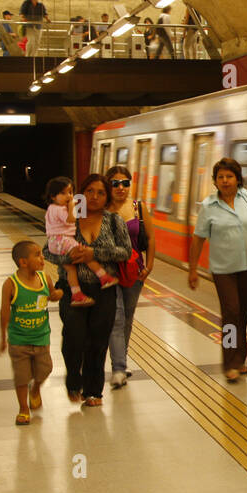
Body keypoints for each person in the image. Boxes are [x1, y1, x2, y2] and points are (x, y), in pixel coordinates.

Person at [43, 174, 130, 407]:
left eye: (101, 192)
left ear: (107, 196)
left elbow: (126, 252)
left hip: (105, 290)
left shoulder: (114, 221)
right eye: (90, 191)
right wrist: (67, 255)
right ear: (80, 193)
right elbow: (47, 251)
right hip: (73, 290)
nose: (94, 197)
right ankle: (74, 380)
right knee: (74, 338)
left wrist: (95, 254)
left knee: (98, 341)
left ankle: (93, 391)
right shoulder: (68, 217)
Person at [188, 157, 247, 382]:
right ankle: (230, 362)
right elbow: (198, 239)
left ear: (238, 179)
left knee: (242, 314)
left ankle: (240, 358)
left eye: (229, 176)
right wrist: (192, 270)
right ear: (215, 181)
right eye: (221, 177)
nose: (225, 181)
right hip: (222, 268)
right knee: (231, 312)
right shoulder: (209, 206)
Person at [0, 241, 64, 425]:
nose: (42, 258)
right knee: (21, 376)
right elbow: (4, 312)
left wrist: (57, 294)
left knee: (46, 369)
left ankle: (36, 389)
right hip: (18, 339)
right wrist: (3, 337)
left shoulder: (45, 279)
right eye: (37, 255)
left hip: (41, 336)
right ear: (23, 262)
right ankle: (23, 408)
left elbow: (51, 295)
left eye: (41, 254)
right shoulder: (11, 284)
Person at [105, 165, 156, 388]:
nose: (121, 188)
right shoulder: (101, 208)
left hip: (134, 272)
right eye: (115, 183)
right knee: (116, 319)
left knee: (127, 318)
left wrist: (150, 266)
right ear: (108, 185)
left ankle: (121, 362)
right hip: (108, 273)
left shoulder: (138, 208)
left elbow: (151, 238)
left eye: (125, 183)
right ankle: (118, 368)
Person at [44, 175, 116, 305]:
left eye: (70, 192)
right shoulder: (59, 209)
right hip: (63, 240)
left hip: (55, 242)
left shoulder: (51, 209)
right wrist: (72, 206)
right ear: (52, 196)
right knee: (86, 254)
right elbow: (71, 219)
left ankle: (76, 294)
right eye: (63, 193)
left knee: (71, 270)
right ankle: (104, 277)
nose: (69, 196)